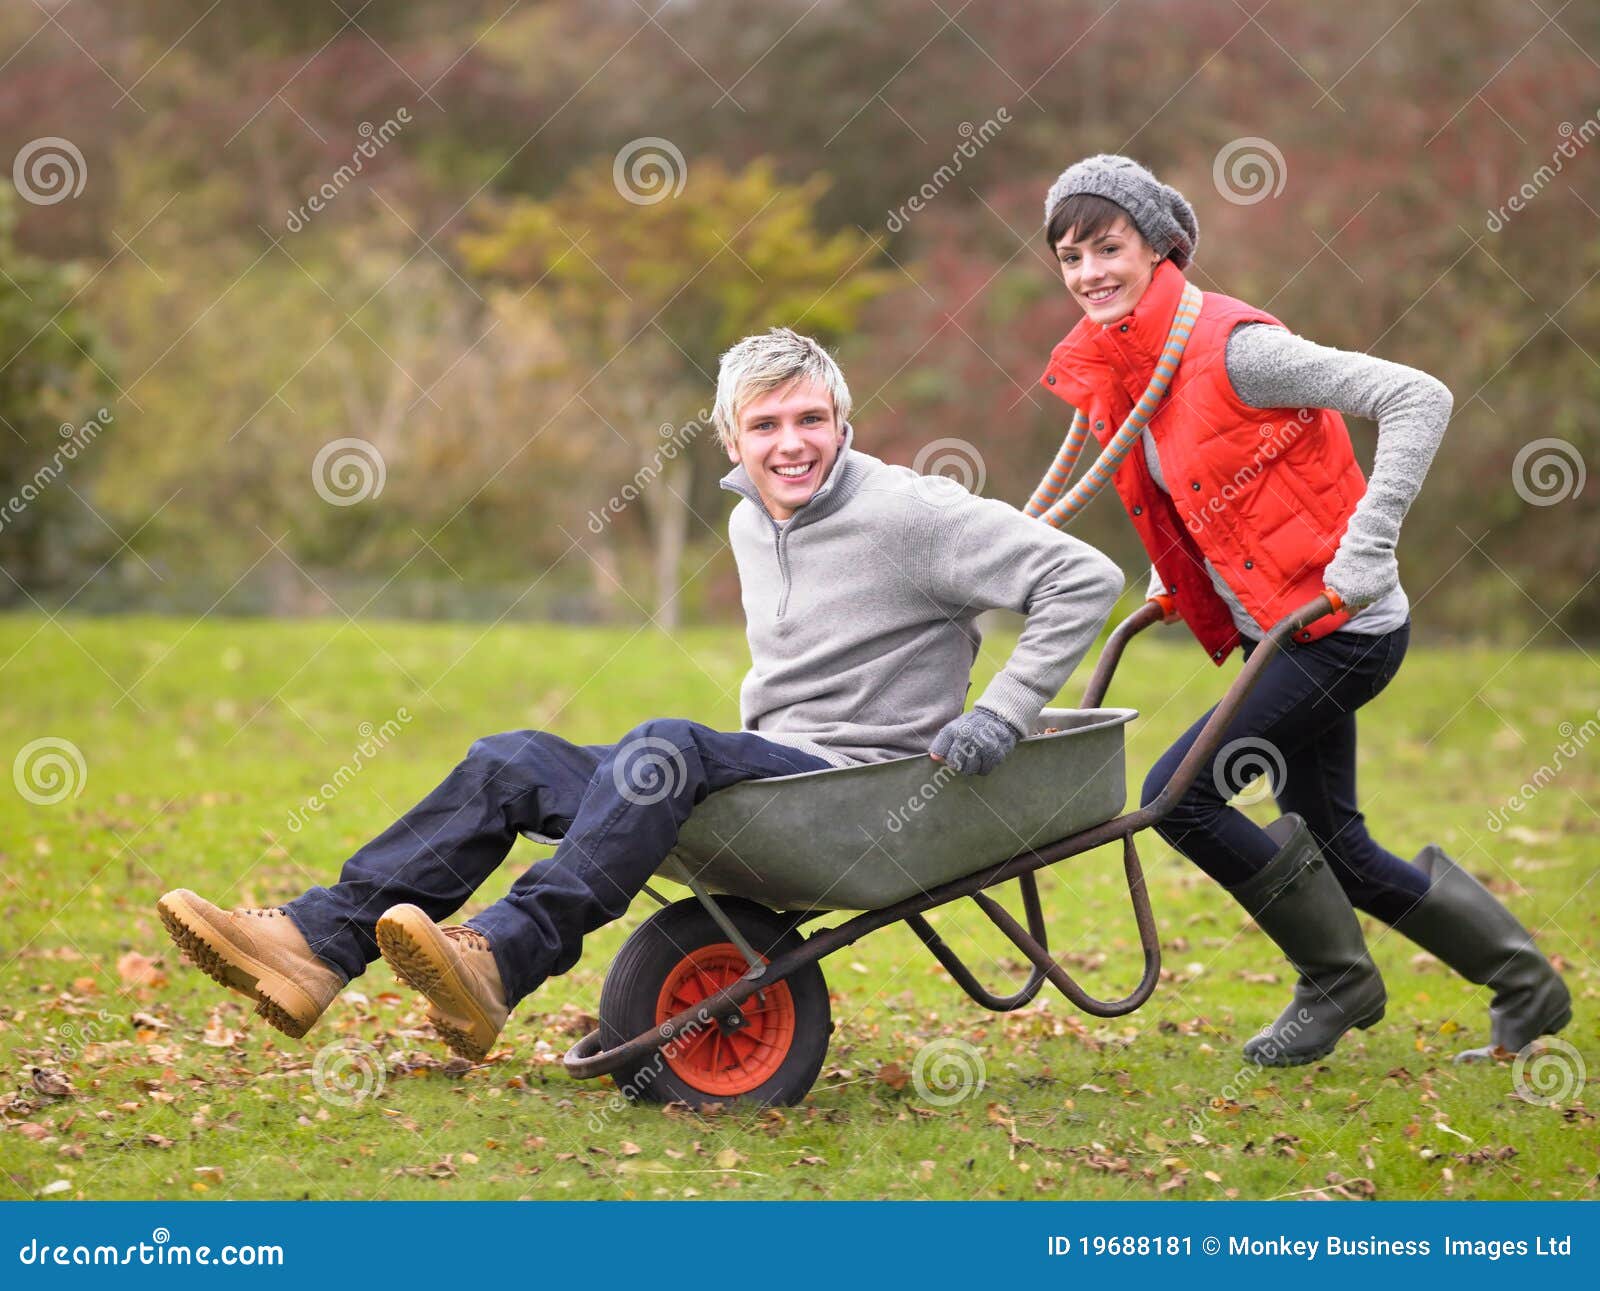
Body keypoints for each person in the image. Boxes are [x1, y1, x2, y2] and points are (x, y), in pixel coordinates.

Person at [158, 327, 1125, 1062]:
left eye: (812, 420)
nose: (793, 445)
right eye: (767, 426)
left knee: (669, 742)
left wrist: (999, 713)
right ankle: (316, 946)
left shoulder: (913, 512)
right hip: (779, 787)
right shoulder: (756, 517)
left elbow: (1081, 579)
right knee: (509, 760)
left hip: (859, 789)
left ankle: (503, 954)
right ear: (730, 439)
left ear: (844, 421)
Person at [1028, 154, 1570, 1066]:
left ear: (1161, 246)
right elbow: (1212, 490)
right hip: (1282, 626)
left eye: (1107, 247)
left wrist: (1367, 545)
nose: (1088, 273)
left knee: (1178, 796)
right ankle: (1524, 983)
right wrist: (1184, 580)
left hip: (1342, 630)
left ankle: (1335, 980)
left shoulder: (1236, 348)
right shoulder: (1132, 365)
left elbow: (1417, 395)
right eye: (1070, 256)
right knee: (1337, 844)